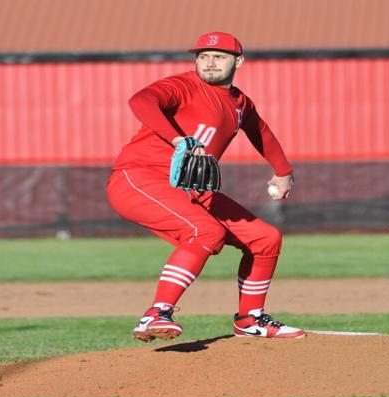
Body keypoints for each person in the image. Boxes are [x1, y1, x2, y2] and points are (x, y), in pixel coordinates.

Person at [106, 31, 305, 341]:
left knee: (266, 239)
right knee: (205, 232)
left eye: (219, 56)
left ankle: (250, 319)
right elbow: (141, 100)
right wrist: (177, 139)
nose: (210, 62)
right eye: (204, 56)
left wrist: (283, 171)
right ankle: (156, 314)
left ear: (238, 61)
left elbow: (260, 131)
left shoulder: (239, 103)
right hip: (139, 177)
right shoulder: (183, 87)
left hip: (192, 189)